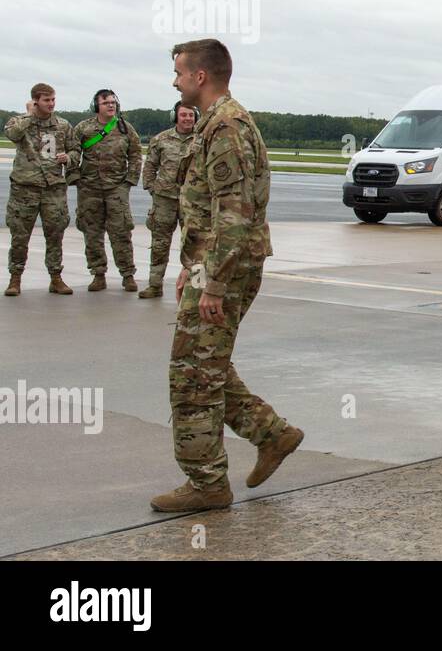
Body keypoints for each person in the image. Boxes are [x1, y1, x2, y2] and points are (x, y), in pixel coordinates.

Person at [151, 38, 303, 513]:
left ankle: (207, 484)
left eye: (179, 72)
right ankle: (273, 434)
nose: (174, 81)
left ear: (200, 76)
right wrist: (192, 269)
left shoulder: (227, 128)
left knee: (191, 377)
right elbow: (211, 213)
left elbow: (233, 215)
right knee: (204, 367)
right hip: (215, 265)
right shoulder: (215, 124)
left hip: (227, 270)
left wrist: (213, 282)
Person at [5, 84, 78, 296]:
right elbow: (13, 134)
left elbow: (75, 148)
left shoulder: (62, 125)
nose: (52, 104)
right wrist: (29, 115)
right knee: (20, 235)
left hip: (53, 188)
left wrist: (69, 158)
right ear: (35, 101)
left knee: (55, 234)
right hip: (25, 189)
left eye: (53, 99)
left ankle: (56, 277)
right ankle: (15, 278)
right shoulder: (20, 122)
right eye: (47, 100)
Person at [73, 90, 142, 291]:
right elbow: (73, 151)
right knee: (92, 233)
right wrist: (75, 178)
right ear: (96, 106)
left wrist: (129, 181)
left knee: (121, 232)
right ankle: (98, 274)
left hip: (116, 188)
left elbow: (136, 154)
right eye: (106, 103)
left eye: (113, 102)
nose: (110, 106)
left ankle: (127, 274)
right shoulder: (83, 128)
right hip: (90, 188)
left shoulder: (124, 128)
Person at [138, 102, 197, 299]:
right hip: (164, 199)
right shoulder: (161, 139)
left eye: (191, 115)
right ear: (175, 117)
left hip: (193, 200)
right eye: (184, 115)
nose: (188, 118)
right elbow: (150, 166)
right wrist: (151, 187)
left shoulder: (203, 139)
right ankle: (155, 285)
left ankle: (196, 288)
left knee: (196, 245)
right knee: (159, 244)